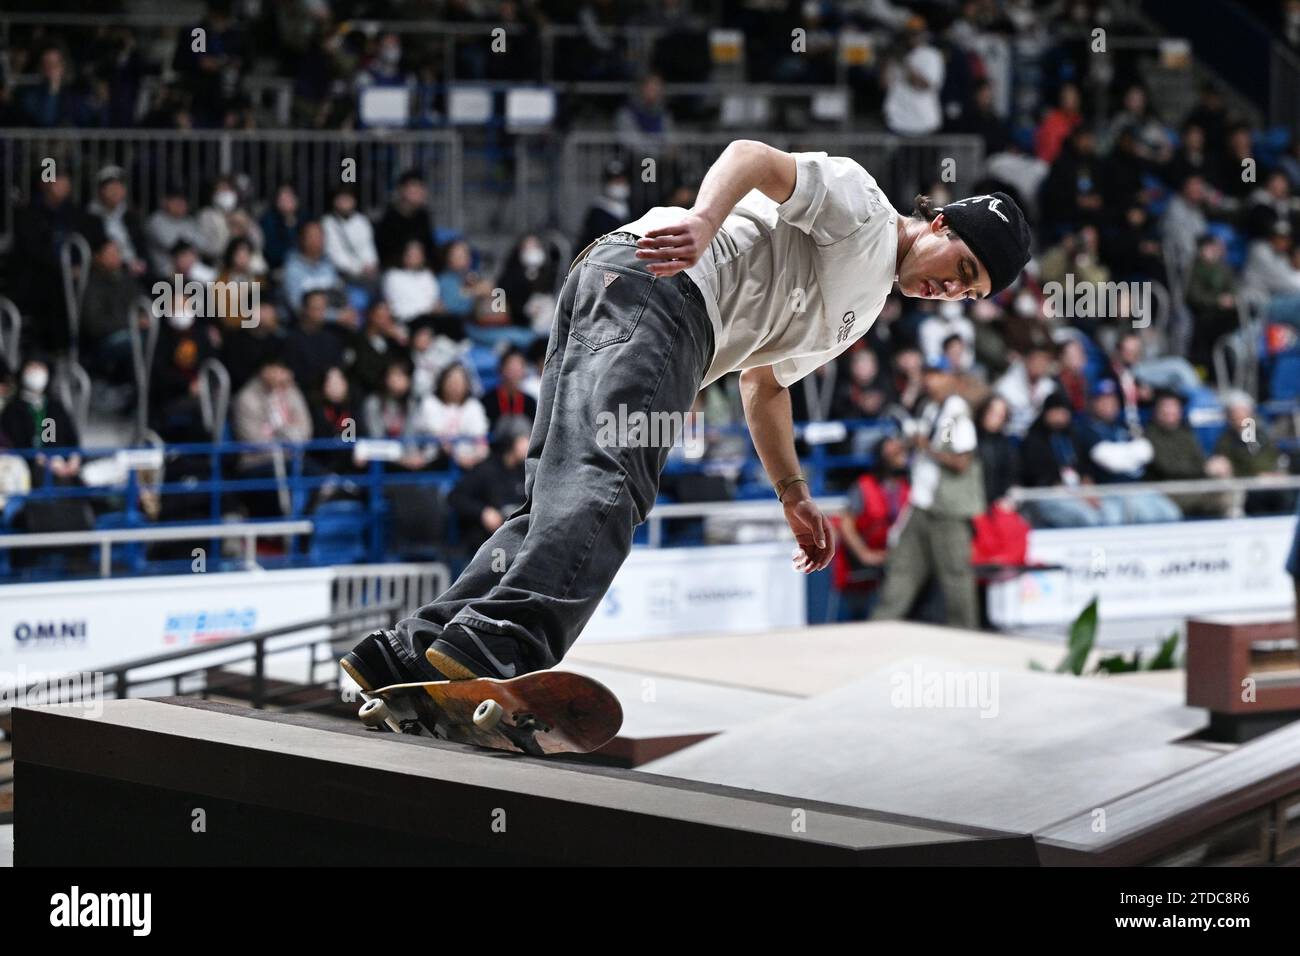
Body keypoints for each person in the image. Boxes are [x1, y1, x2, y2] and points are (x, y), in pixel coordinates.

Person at [341, 140, 1032, 688]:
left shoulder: (865, 301)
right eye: (962, 265)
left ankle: (412, 654)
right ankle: (495, 651)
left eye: (969, 293)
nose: (951, 289)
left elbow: (765, 386)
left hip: (613, 280)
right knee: (612, 488)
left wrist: (793, 495)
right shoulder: (867, 210)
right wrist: (703, 221)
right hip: (668, 293)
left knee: (555, 502)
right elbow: (753, 157)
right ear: (940, 223)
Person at [871, 359, 985, 628]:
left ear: (951, 378)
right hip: (921, 504)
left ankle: (967, 638)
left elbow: (961, 461)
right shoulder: (932, 408)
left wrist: (927, 448)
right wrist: (905, 445)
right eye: (927, 375)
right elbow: (929, 440)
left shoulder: (957, 413)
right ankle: (879, 630)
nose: (930, 381)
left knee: (955, 577)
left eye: (937, 375)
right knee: (901, 570)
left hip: (947, 510)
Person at [831, 435, 911, 621]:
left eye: (901, 451)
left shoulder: (907, 488)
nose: (900, 455)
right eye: (893, 450)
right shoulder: (864, 486)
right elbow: (845, 523)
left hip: (892, 563)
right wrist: (864, 553)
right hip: (859, 567)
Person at [449, 415, 531, 552]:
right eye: (523, 439)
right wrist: (483, 512)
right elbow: (455, 497)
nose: (528, 444)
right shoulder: (486, 469)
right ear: (510, 442)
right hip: (488, 544)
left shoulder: (526, 470)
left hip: (519, 541)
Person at [322, 186, 379, 288]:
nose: (346, 202)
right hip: (341, 275)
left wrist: (371, 264)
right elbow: (334, 254)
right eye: (342, 198)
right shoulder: (327, 223)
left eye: (348, 198)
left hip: (367, 273)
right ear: (335, 201)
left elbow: (368, 246)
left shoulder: (362, 221)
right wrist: (359, 269)